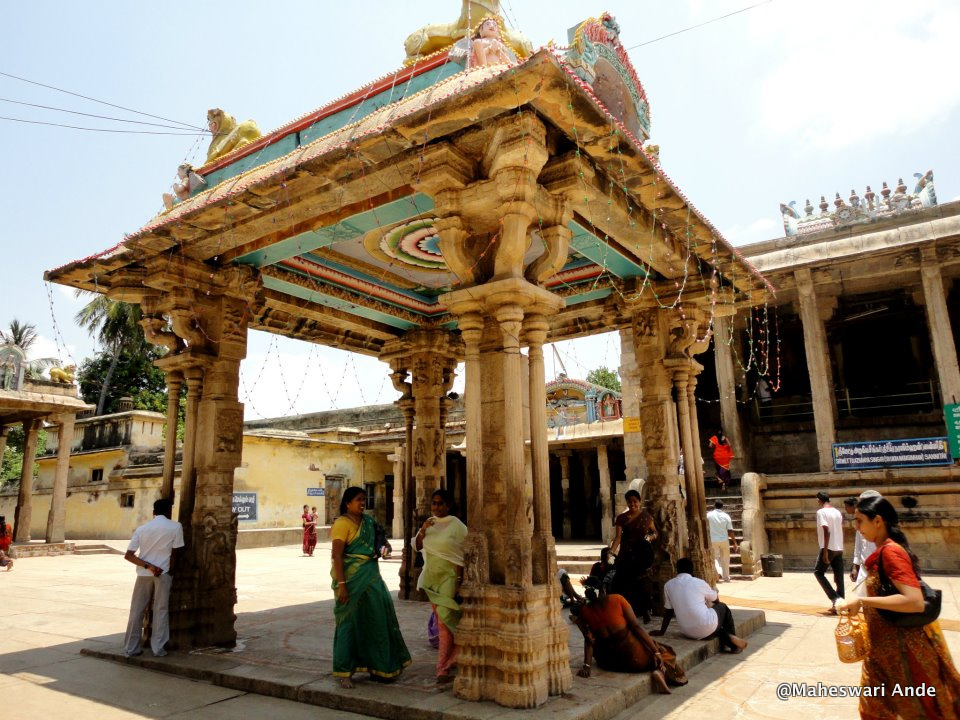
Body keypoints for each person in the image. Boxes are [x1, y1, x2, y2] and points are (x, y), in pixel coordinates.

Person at [837, 497, 960, 719]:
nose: (856, 528)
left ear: (878, 521)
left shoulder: (891, 552)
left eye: (859, 521)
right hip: (882, 652)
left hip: (904, 650)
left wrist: (863, 601)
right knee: (874, 711)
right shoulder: (883, 550)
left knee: (919, 711)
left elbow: (913, 601)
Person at [331, 487, 411, 688]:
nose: (362, 503)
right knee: (348, 624)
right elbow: (337, 556)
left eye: (363, 499)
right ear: (348, 502)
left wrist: (384, 550)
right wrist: (342, 585)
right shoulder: (342, 523)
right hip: (351, 580)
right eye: (358, 499)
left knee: (378, 621)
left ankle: (380, 667)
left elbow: (381, 543)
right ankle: (344, 672)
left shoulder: (369, 522)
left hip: (372, 577)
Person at [573, 576, 687, 694]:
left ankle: (658, 668)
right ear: (603, 589)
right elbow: (636, 628)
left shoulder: (585, 611)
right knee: (665, 652)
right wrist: (656, 651)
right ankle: (660, 672)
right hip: (635, 660)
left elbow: (589, 640)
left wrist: (587, 666)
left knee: (653, 645)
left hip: (608, 662)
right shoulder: (617, 599)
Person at [415, 489, 468, 684]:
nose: (436, 507)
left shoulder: (457, 526)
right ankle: (450, 661)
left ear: (448, 505)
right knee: (443, 623)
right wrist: (422, 530)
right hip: (431, 577)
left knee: (446, 623)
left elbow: (462, 555)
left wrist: (459, 582)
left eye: (440, 503)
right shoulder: (430, 523)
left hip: (449, 578)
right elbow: (417, 546)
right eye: (434, 503)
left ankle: (443, 668)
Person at [123, 498, 183, 658]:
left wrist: (148, 566)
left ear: (153, 512)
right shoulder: (175, 527)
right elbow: (176, 553)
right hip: (163, 573)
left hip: (144, 573)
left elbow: (128, 555)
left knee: (137, 611)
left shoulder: (142, 529)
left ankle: (131, 647)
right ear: (169, 511)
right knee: (161, 610)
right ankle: (158, 648)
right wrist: (171, 572)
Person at [654, 558, 748, 654]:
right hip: (705, 627)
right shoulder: (698, 582)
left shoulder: (668, 585)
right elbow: (716, 600)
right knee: (723, 607)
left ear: (676, 569)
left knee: (710, 625)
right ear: (692, 569)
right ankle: (733, 644)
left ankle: (724, 634)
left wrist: (662, 631)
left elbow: (668, 612)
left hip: (687, 632)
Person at [609, 489, 657, 623]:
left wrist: (650, 537)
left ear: (639, 502)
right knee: (624, 583)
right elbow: (618, 538)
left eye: (635, 501)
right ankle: (627, 612)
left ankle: (646, 610)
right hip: (626, 554)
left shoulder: (647, 517)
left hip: (641, 555)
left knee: (643, 583)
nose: (632, 504)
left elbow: (655, 532)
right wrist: (611, 552)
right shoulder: (622, 518)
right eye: (630, 502)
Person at [814, 490, 845, 612]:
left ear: (819, 500)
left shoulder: (821, 512)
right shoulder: (837, 512)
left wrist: (825, 551)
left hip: (829, 547)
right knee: (839, 576)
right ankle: (840, 606)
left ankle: (836, 600)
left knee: (818, 572)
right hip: (839, 547)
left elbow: (826, 530)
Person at [849, 490, 880, 597]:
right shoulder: (860, 522)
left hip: (878, 572)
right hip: (864, 570)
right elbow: (858, 546)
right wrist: (855, 567)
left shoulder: (883, 524)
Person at [707, 500, 738, 582]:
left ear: (714, 505)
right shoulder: (726, 516)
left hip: (713, 539)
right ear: (722, 506)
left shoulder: (709, 515)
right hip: (724, 540)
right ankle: (726, 577)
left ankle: (719, 571)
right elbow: (730, 530)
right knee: (725, 558)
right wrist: (734, 542)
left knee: (714, 558)